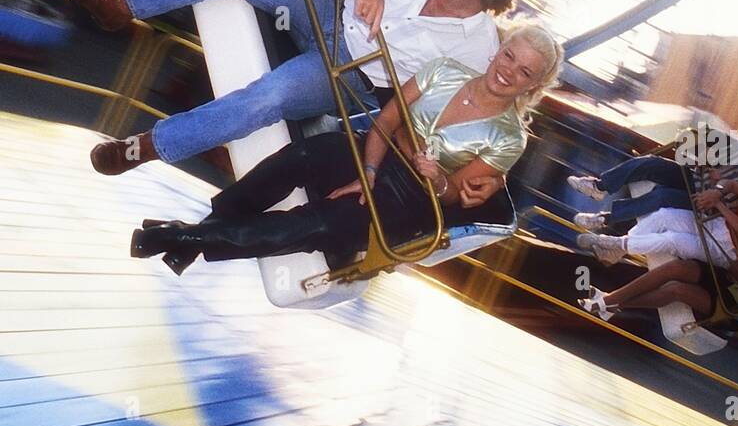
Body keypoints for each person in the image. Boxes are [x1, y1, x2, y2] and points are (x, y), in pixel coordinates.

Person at [59, 0, 535, 174]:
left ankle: (144, 147)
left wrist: (455, 167)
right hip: (326, 13)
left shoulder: (481, 51)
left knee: (269, 97)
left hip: (351, 79)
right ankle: (118, 4)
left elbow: (486, 108)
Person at [129, 21, 563, 271]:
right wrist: (368, 174)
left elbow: (455, 196)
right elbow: (385, 123)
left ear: (534, 85)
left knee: (320, 221)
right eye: (509, 56)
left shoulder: (509, 138)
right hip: (375, 156)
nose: (510, 71)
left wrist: (439, 179)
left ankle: (181, 235)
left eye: (525, 72)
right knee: (304, 155)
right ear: (497, 51)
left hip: (411, 201)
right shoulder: (442, 70)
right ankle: (192, 239)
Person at [577, 218, 738, 322]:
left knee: (676, 290)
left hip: (733, 305)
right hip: (727, 279)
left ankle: (608, 302)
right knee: (677, 267)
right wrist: (737, 267)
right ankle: (609, 302)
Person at [569, 127, 738, 232]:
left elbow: (728, 203)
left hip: (702, 203)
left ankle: (605, 219)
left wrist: (717, 182)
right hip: (694, 177)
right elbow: (699, 137)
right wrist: (702, 156)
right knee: (652, 163)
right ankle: (599, 186)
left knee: (662, 196)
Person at [574, 172, 738, 266]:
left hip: (728, 250)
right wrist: (719, 190)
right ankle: (617, 249)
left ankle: (618, 245)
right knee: (664, 214)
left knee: (673, 240)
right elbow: (732, 183)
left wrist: (719, 203)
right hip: (715, 225)